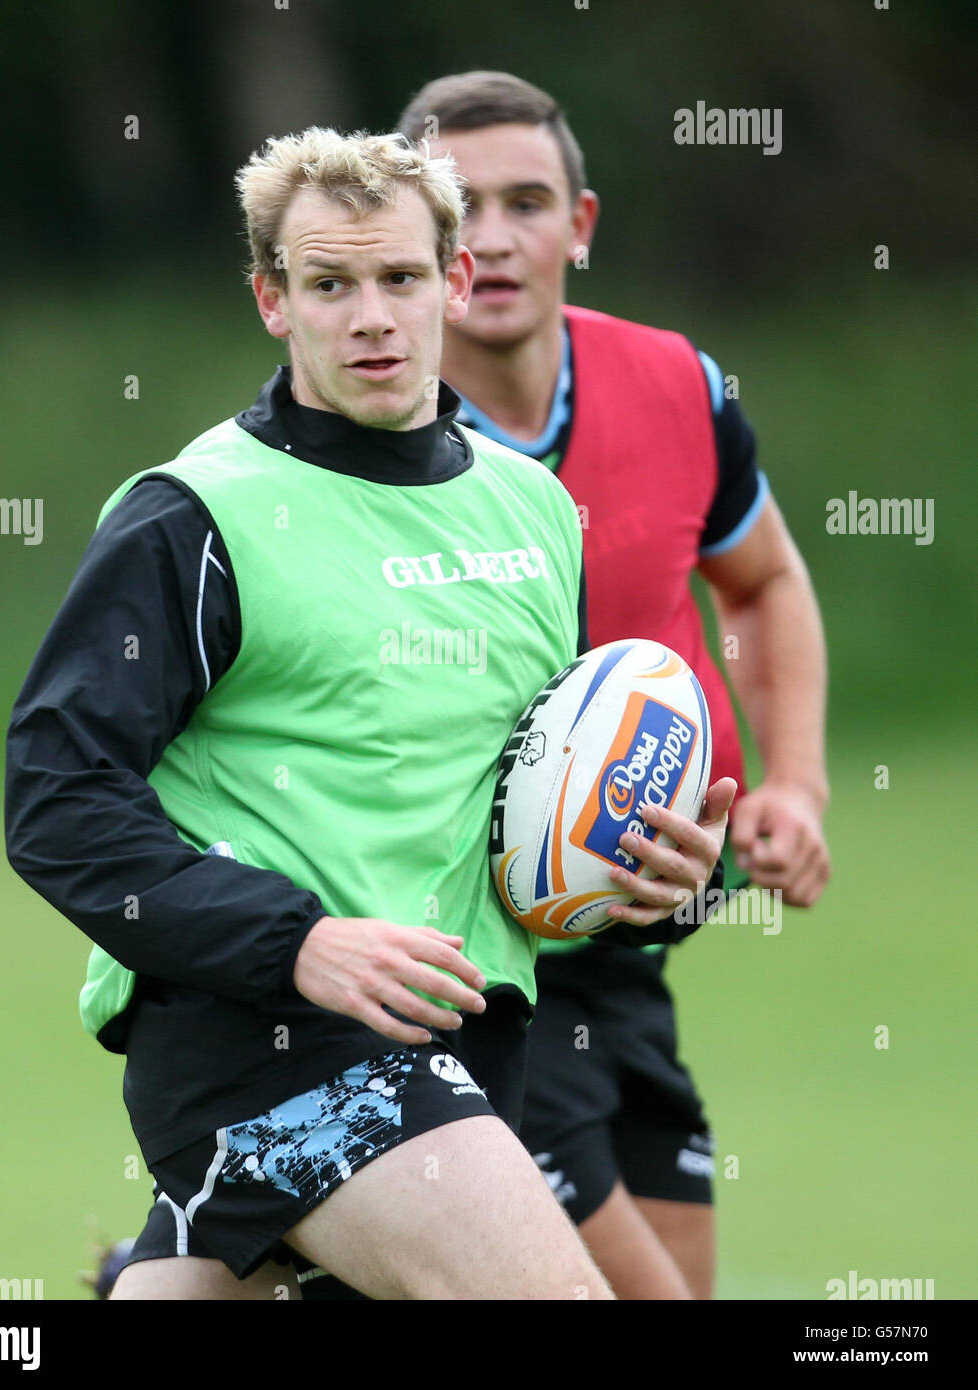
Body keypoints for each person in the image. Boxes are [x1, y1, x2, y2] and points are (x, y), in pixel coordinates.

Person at [6, 126, 734, 1301]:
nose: (371, 316)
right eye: (329, 284)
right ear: (272, 301)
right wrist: (293, 940)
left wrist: (649, 876)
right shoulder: (191, 517)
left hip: (468, 1042)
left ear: (452, 282)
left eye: (399, 278)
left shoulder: (534, 511)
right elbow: (56, 799)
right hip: (262, 1039)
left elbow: (512, 825)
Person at [392, 72, 832, 1301]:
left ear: (580, 224)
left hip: (636, 940)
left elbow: (765, 585)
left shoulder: (680, 386)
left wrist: (790, 783)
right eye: (459, 205)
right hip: (473, 970)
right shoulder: (367, 440)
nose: (491, 235)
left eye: (526, 201)